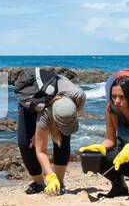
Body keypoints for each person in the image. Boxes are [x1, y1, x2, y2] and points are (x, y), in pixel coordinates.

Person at [14, 68, 86, 196]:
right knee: (26, 143)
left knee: (63, 138)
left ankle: (60, 183)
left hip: (56, 100)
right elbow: (40, 151)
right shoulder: (45, 114)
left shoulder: (78, 95)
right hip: (31, 97)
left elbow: (76, 112)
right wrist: (50, 176)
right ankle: (39, 183)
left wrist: (63, 124)